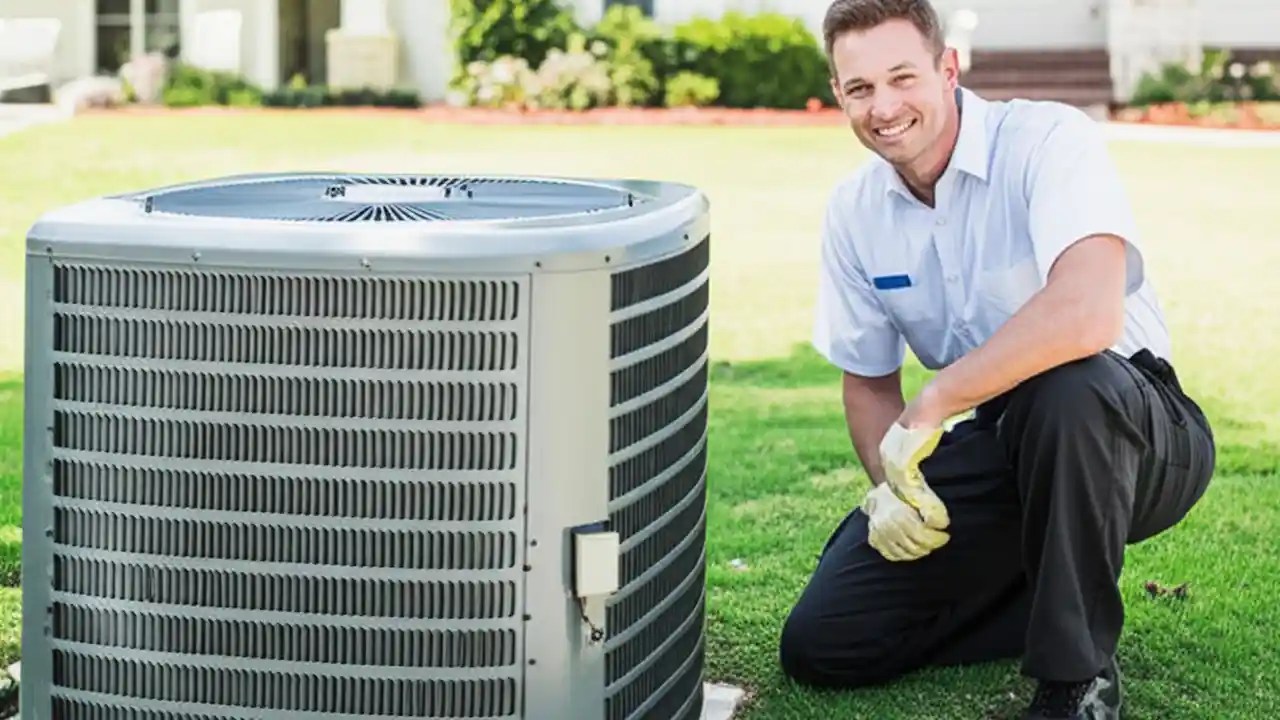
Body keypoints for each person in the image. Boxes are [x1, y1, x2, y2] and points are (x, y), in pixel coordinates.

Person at [778, 1, 1217, 718]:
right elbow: (867, 380)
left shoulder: (1047, 139)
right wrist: (894, 490)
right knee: (825, 641)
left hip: (1138, 427)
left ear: (948, 69)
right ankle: (1055, 590)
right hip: (1010, 444)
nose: (883, 107)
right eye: (860, 89)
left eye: (902, 78)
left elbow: (1087, 313)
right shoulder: (855, 211)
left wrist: (936, 401)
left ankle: (1077, 679)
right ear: (839, 95)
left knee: (1064, 386)